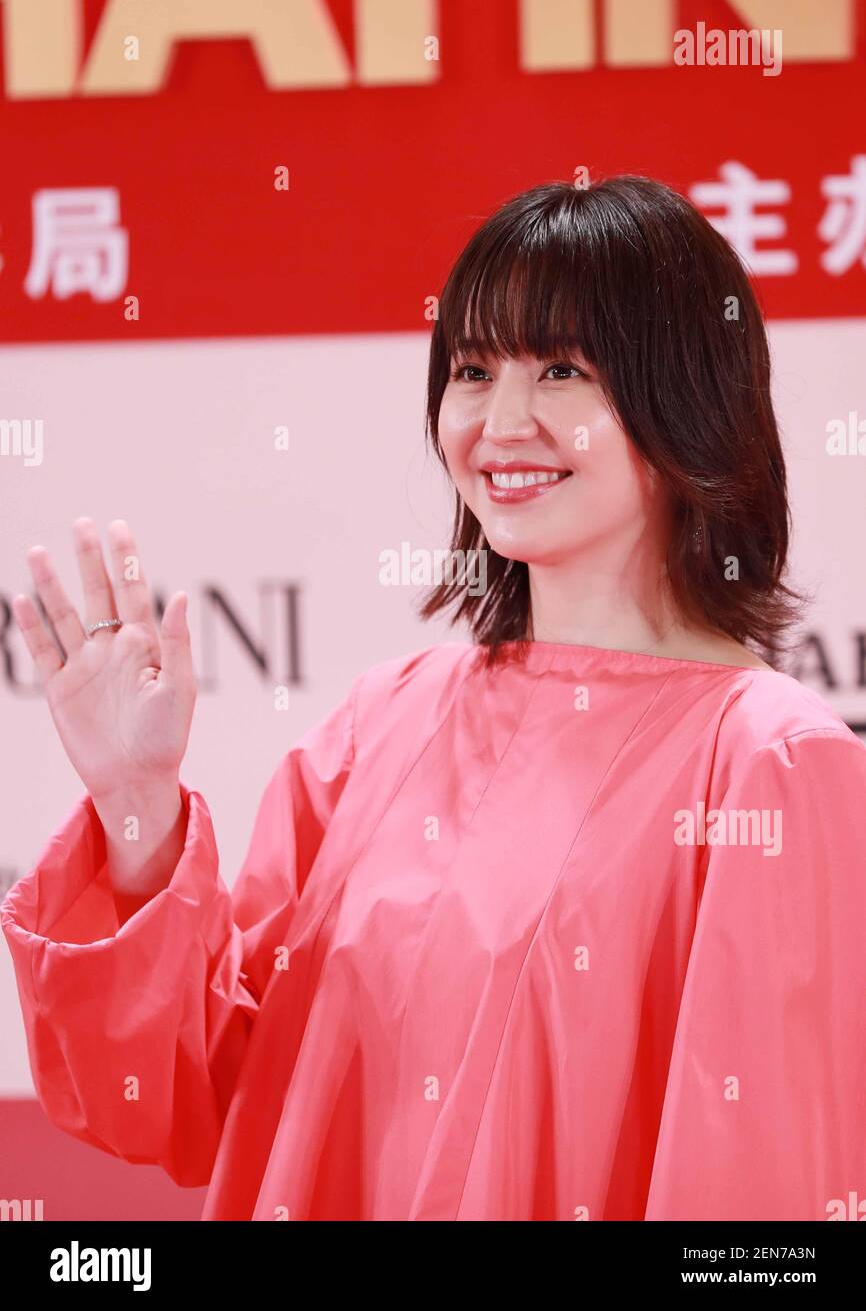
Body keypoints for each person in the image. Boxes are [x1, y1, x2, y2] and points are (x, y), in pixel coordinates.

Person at [3, 176, 866, 1221]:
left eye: (560, 369)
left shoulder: (772, 760)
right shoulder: (385, 723)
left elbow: (756, 1205)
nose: (501, 422)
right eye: (470, 369)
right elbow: (182, 1099)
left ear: (685, 394)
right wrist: (135, 805)